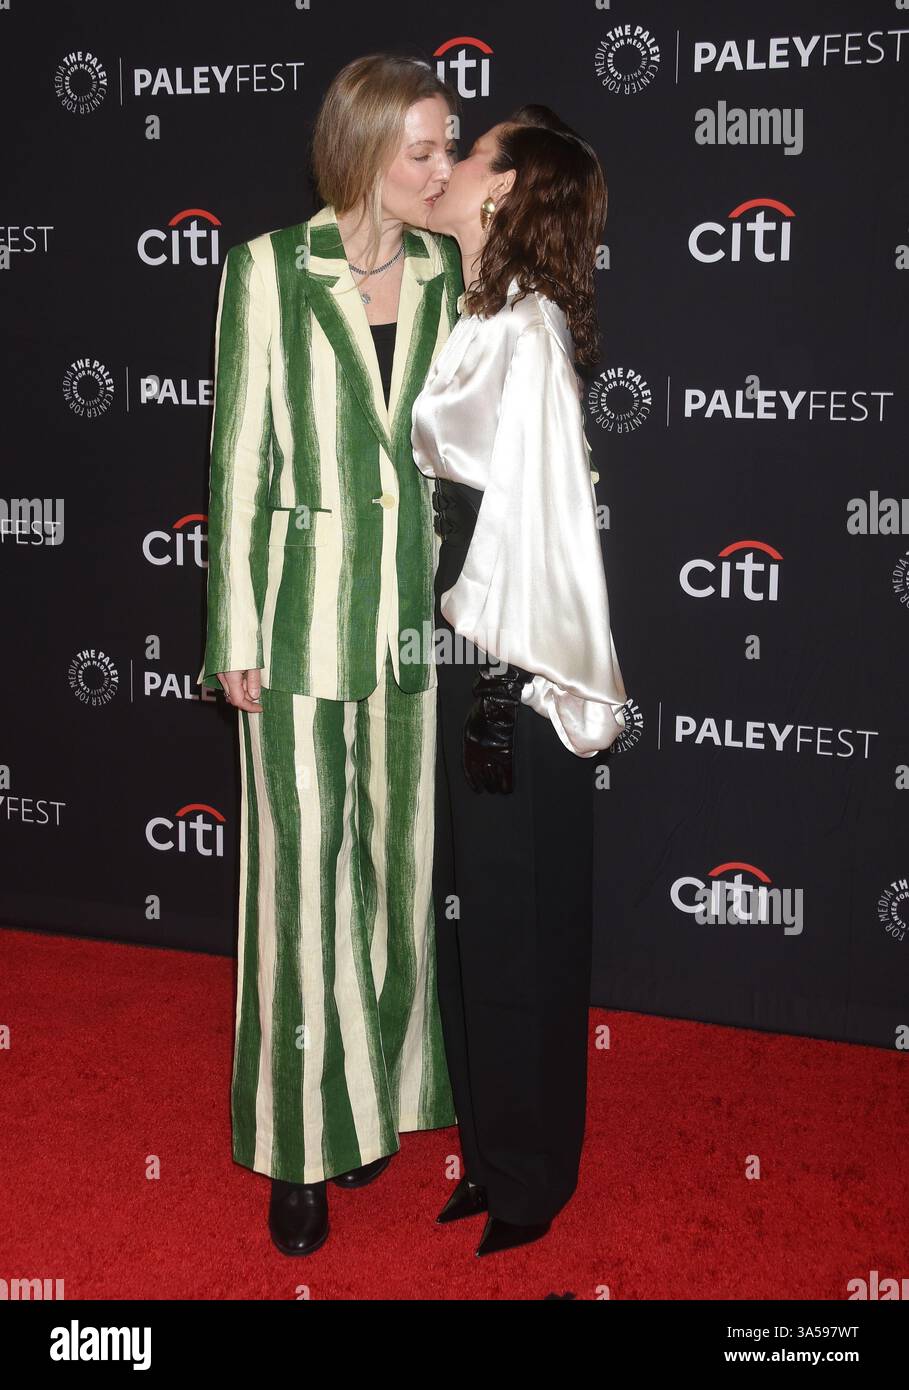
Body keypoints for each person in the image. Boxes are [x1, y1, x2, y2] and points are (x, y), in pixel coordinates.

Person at [197, 53, 465, 1256]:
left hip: (410, 623)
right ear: (360, 150)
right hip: (298, 624)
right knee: (298, 886)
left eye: (449, 145)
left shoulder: (445, 269)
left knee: (397, 877)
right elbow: (239, 460)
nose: (443, 167)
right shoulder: (265, 270)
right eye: (424, 149)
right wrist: (236, 632)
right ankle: (301, 1141)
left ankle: (372, 1102)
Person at [410, 106, 631, 1256]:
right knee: (470, 918)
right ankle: (493, 1155)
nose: (444, 170)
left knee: (521, 921)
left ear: (502, 192)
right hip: (465, 651)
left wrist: (510, 676)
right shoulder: (476, 312)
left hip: (511, 670)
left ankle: (532, 1182)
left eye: (470, 153)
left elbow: (546, 538)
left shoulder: (527, 330)